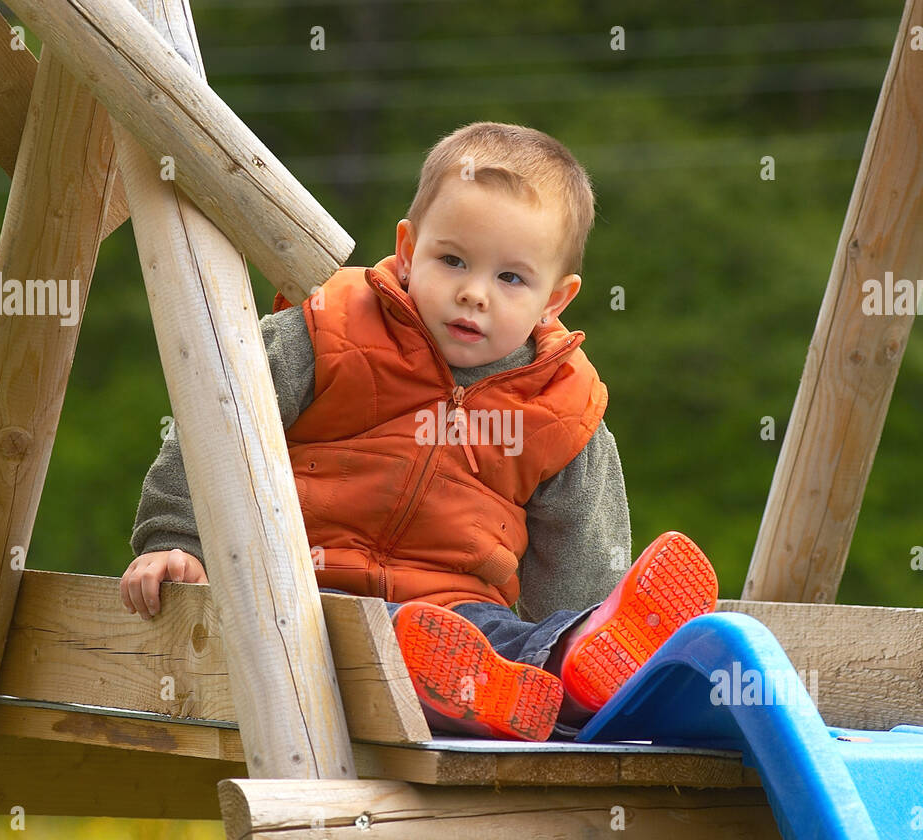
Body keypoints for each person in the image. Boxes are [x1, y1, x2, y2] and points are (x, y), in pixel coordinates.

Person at [120, 121, 717, 741]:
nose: (473, 293)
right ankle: (484, 689)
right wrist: (178, 541)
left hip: (460, 616)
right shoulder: (332, 331)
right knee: (393, 644)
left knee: (513, 641)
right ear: (407, 250)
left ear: (555, 300)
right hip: (307, 597)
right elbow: (215, 418)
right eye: (452, 260)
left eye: (510, 278)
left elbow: (580, 553)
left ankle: (575, 676)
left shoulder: (558, 407)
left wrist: (588, 624)